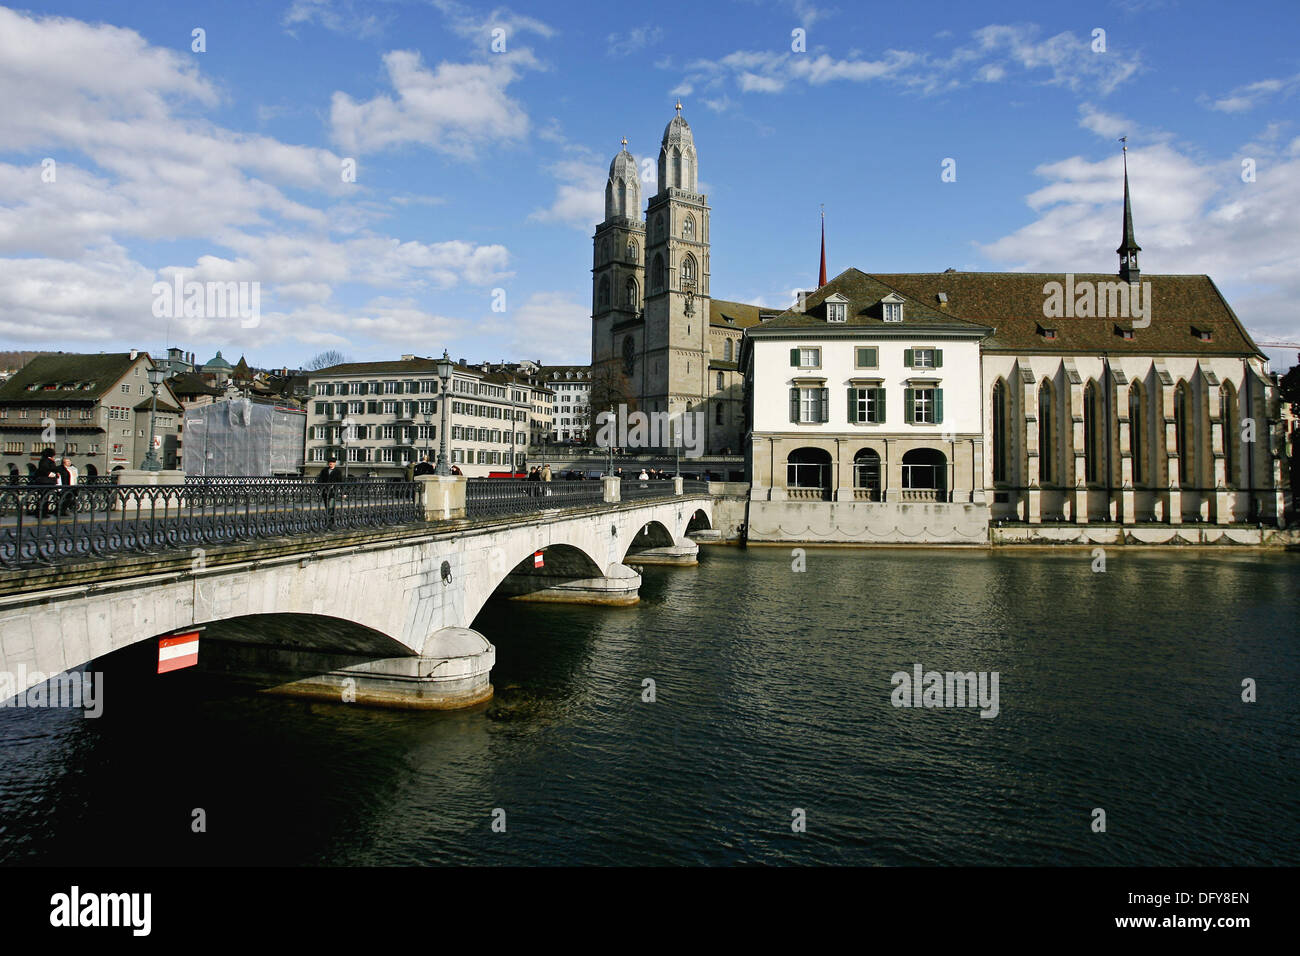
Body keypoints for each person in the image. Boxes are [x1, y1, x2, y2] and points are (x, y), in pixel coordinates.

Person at [317, 457, 344, 524]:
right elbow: (320, 480)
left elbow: (340, 481)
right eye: (329, 463)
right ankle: (328, 519)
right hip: (325, 491)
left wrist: (343, 492)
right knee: (327, 506)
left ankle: (331, 520)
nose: (330, 464)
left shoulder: (338, 471)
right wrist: (319, 488)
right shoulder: (324, 470)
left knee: (331, 506)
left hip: (333, 491)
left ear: (334, 463)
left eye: (331, 463)